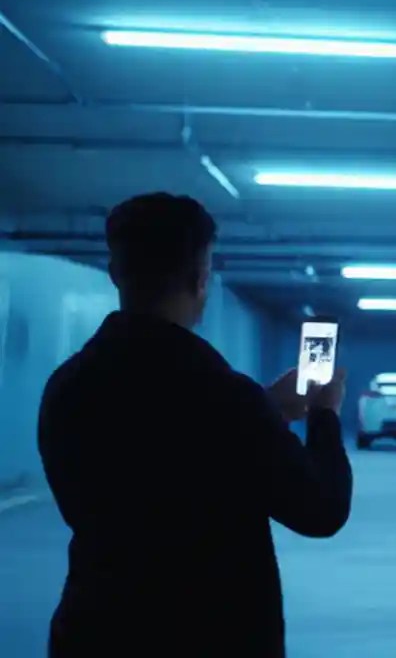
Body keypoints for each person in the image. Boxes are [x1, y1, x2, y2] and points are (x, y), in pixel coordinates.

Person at [37, 193, 353, 657]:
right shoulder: (225, 398)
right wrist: (323, 414)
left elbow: (160, 445)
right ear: (201, 280)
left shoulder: (67, 386)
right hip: (208, 636)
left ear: (115, 274)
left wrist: (267, 409)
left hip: (94, 631)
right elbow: (321, 509)